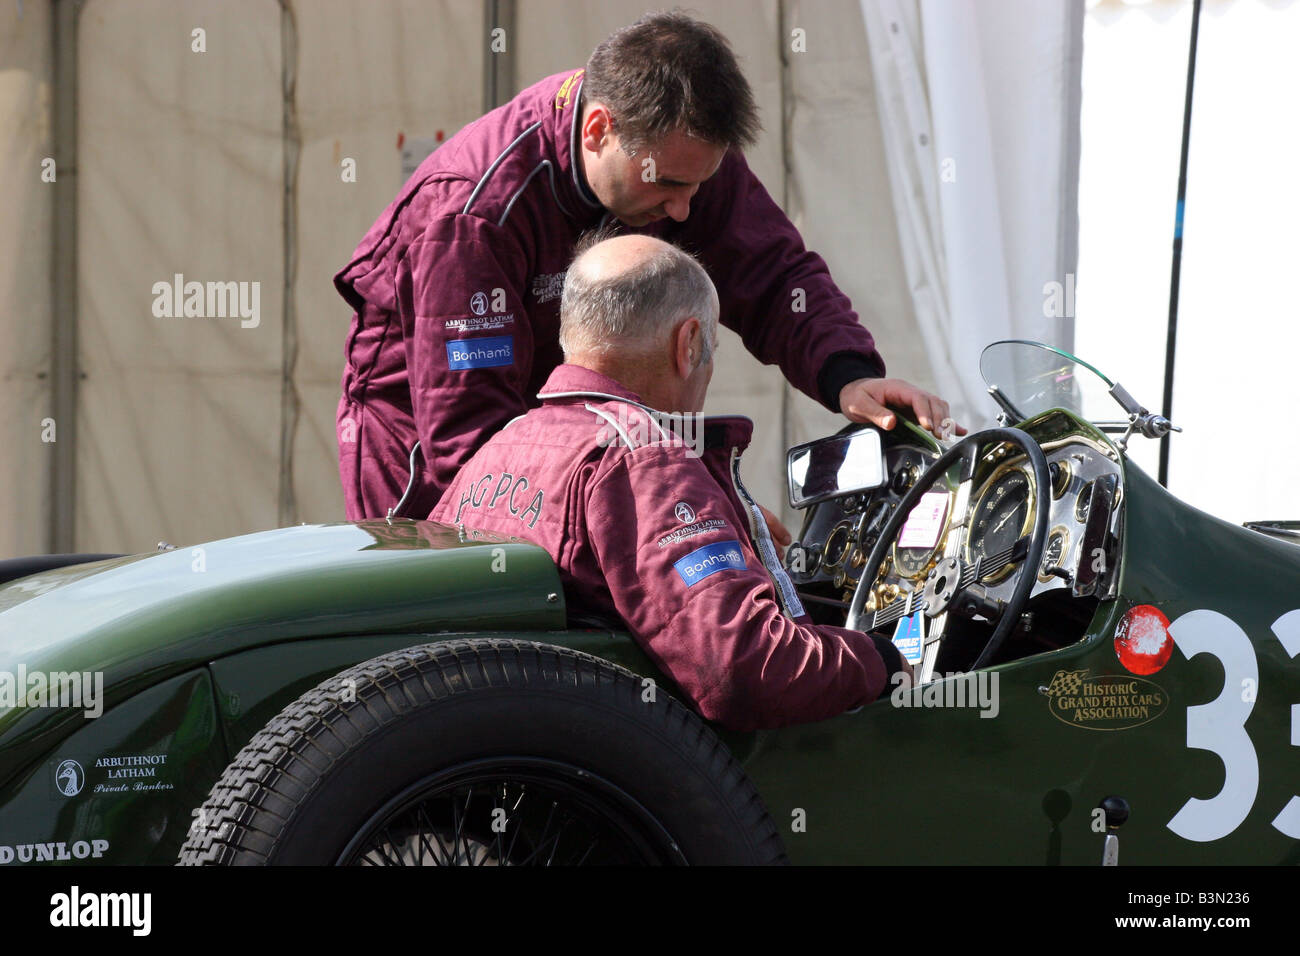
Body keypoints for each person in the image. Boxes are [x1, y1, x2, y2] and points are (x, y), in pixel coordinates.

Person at [335, 10, 962, 526]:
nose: (684, 210)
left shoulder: (677, 155)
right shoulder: (473, 214)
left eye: (698, 185)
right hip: (423, 450)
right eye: (667, 186)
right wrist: (656, 514)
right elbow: (469, 436)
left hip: (560, 431)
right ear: (599, 130)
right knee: (459, 645)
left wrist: (846, 376)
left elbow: (774, 272)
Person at [430, 233, 910, 732]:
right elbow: (745, 669)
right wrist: (882, 661)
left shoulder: (502, 443)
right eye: (712, 347)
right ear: (690, 343)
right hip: (624, 775)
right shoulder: (644, 455)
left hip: (505, 754)